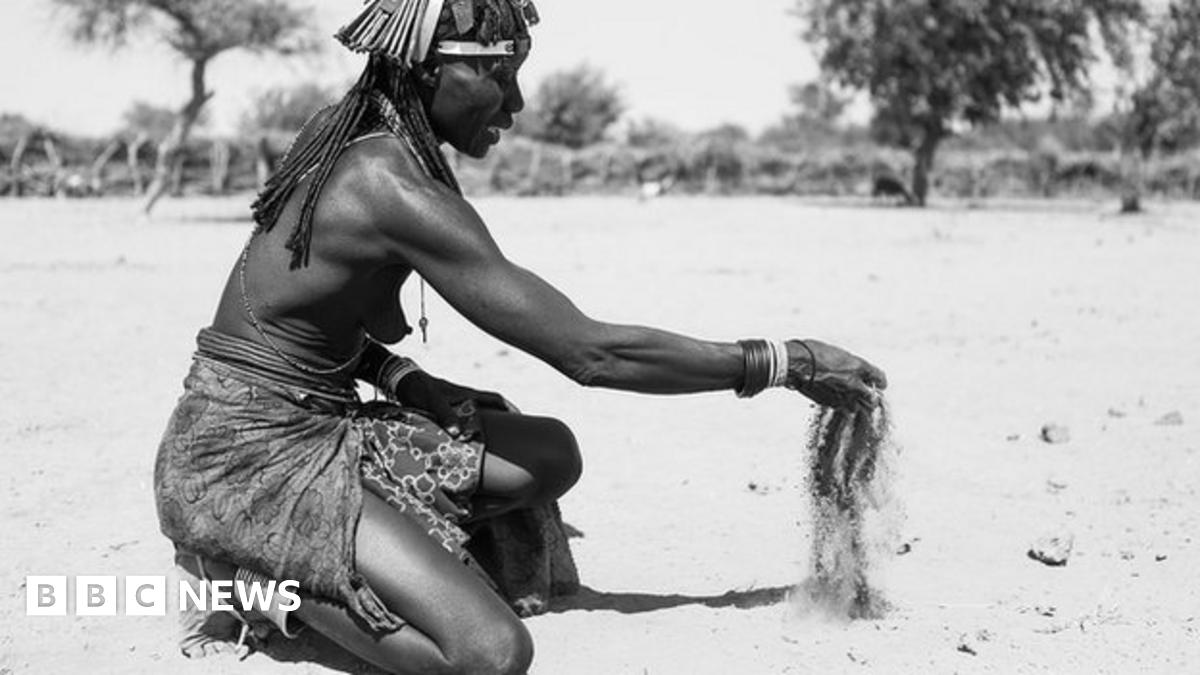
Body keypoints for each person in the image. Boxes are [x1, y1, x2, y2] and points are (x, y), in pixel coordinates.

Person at [153, 0, 887, 673]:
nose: (517, 102)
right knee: (490, 652)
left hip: (315, 420)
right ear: (434, 66)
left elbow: (295, 311)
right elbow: (589, 352)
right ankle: (254, 575)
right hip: (245, 459)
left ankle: (372, 548)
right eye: (500, 75)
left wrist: (407, 380)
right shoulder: (386, 184)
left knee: (547, 454)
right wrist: (782, 361)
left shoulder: (361, 136)